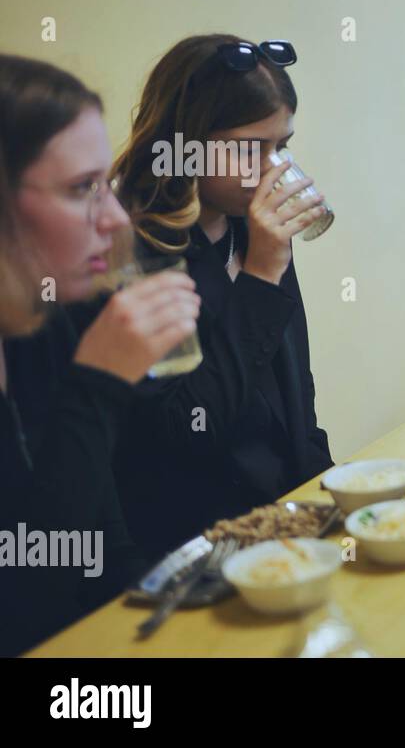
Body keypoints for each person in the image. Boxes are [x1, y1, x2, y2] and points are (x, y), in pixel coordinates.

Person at [0, 54, 199, 655]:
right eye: (81, 189)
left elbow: (101, 547)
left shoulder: (45, 320)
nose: (115, 220)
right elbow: (26, 594)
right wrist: (100, 385)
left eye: (105, 187)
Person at [109, 34, 333, 558]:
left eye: (282, 145)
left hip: (288, 521)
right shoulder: (133, 247)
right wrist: (260, 276)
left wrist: (327, 493)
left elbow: (294, 390)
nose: (272, 169)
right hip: (196, 546)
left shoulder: (247, 223)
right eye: (249, 148)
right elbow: (186, 428)